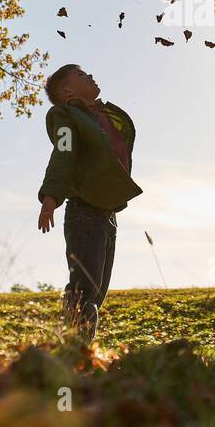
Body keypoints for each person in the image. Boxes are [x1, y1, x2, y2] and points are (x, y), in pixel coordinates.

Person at [38, 64, 142, 339]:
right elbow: (63, 154)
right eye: (82, 75)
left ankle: (81, 351)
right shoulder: (65, 115)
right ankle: (74, 351)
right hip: (84, 211)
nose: (91, 75)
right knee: (84, 289)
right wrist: (51, 197)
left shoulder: (106, 115)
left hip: (108, 213)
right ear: (67, 90)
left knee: (97, 292)